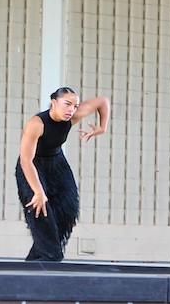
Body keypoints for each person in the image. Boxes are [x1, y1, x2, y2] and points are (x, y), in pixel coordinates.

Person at [15, 87, 110, 262]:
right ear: (54, 102)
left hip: (57, 164)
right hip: (32, 166)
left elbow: (103, 101)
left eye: (75, 106)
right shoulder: (36, 124)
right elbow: (26, 160)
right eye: (67, 104)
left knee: (68, 209)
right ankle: (50, 255)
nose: (71, 110)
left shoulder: (73, 114)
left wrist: (102, 128)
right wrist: (38, 191)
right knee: (40, 209)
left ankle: (36, 259)